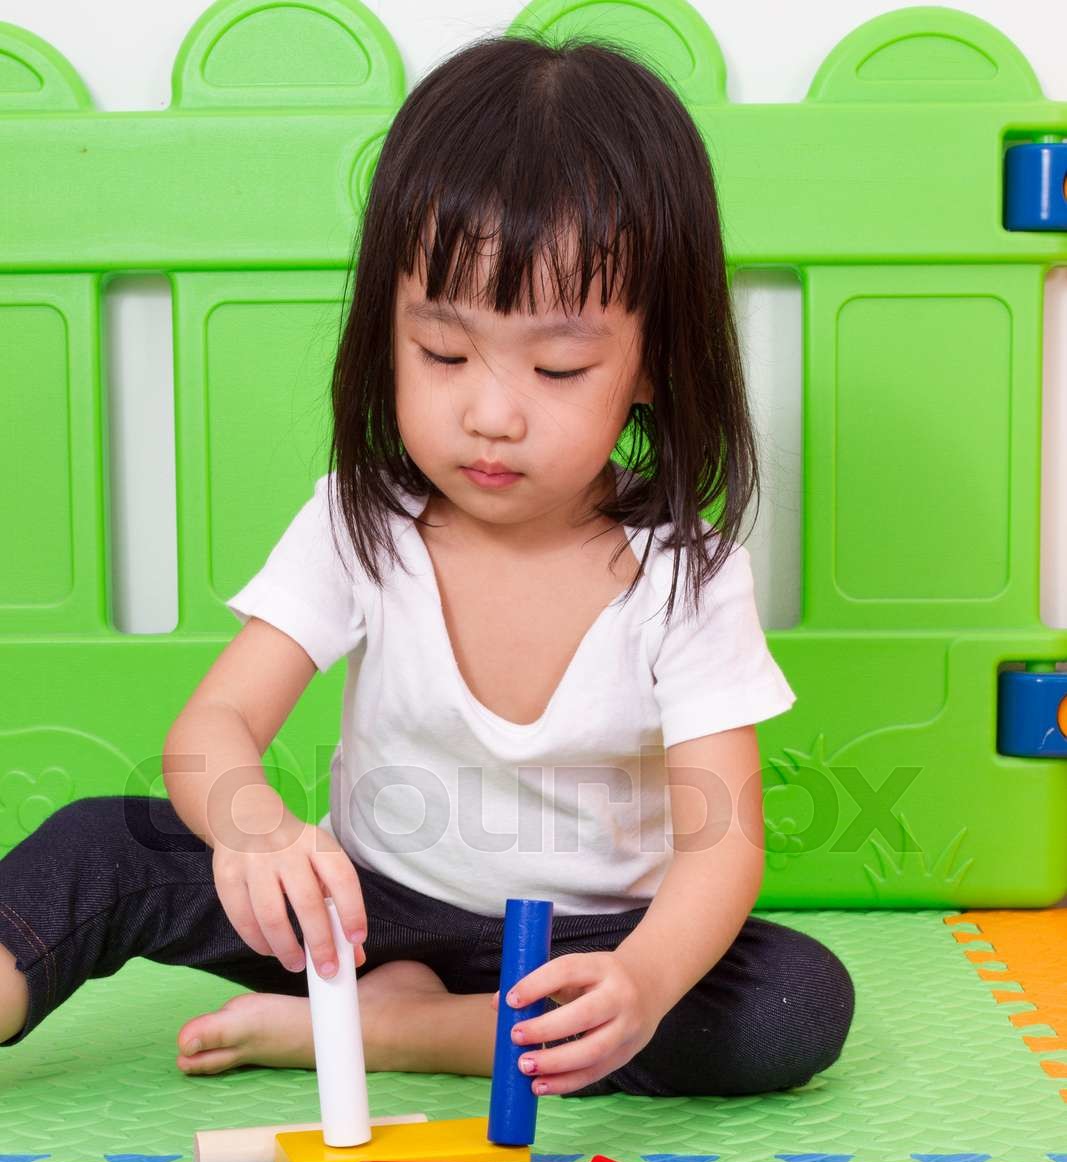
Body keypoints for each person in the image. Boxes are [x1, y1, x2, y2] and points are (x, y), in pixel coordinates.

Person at [0, 33, 855, 1099]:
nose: (488, 413)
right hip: (360, 911)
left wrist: (638, 979)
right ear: (384, 334)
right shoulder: (362, 520)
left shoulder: (683, 572)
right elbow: (211, 732)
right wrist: (258, 831)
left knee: (789, 999)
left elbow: (719, 850)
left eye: (557, 366)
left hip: (579, 944)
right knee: (100, 846)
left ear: (652, 365)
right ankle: (382, 1005)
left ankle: (391, 1032)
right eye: (441, 353)